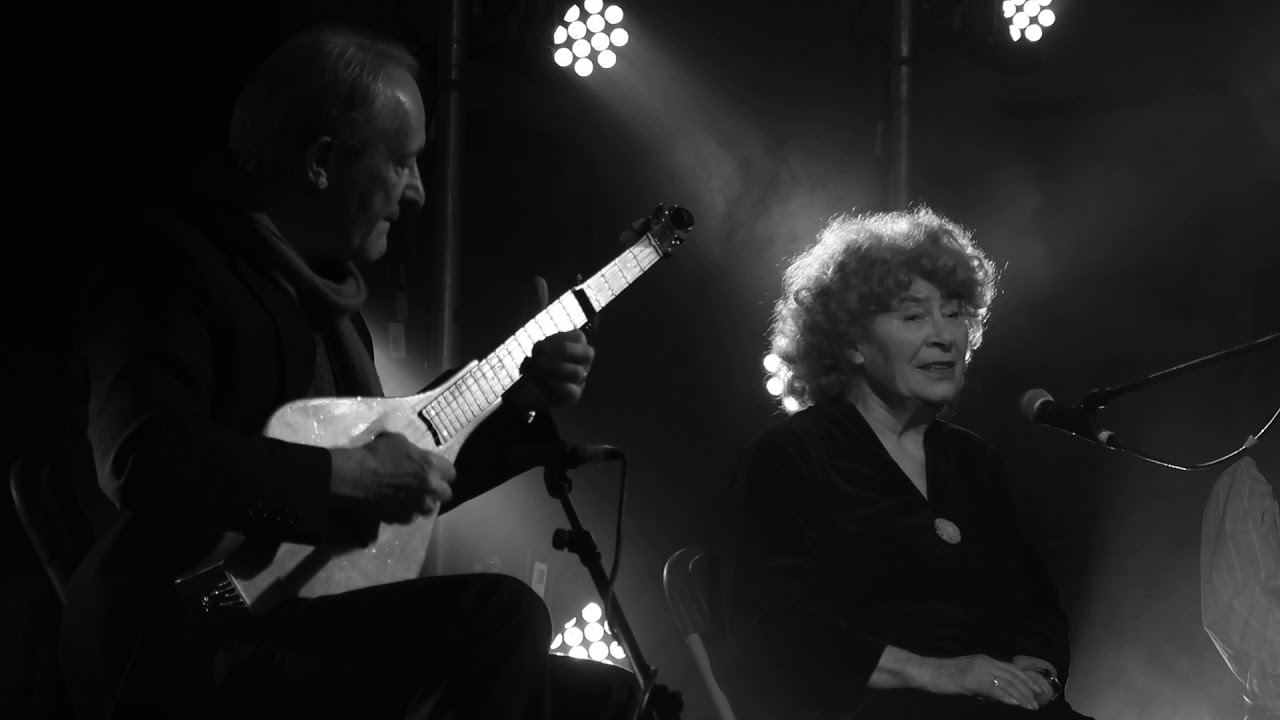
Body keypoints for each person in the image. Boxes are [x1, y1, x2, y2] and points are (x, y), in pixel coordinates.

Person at [59, 25, 635, 720]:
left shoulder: (332, 313)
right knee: (501, 616)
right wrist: (348, 476)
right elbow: (142, 453)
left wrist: (520, 397)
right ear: (323, 161)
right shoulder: (172, 265)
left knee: (604, 698)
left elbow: (404, 475)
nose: (417, 192)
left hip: (292, 631)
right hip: (182, 638)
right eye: (401, 162)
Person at [720, 207, 1094, 719]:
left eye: (956, 311)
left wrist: (1039, 673)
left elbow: (1039, 608)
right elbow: (768, 629)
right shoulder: (791, 456)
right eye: (913, 315)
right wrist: (939, 673)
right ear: (851, 342)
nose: (944, 335)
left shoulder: (975, 462)